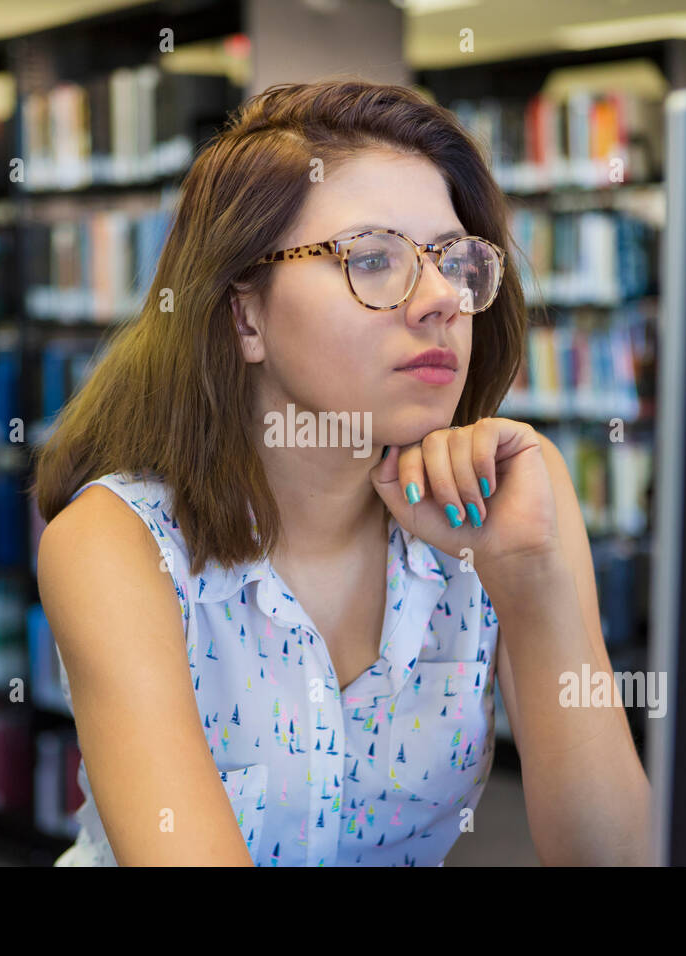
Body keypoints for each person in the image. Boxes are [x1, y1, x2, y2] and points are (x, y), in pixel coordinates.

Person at [32, 78, 650, 866]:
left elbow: (619, 860)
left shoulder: (510, 499)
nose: (441, 301)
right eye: (373, 259)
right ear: (245, 314)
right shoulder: (118, 545)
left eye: (455, 262)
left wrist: (531, 580)